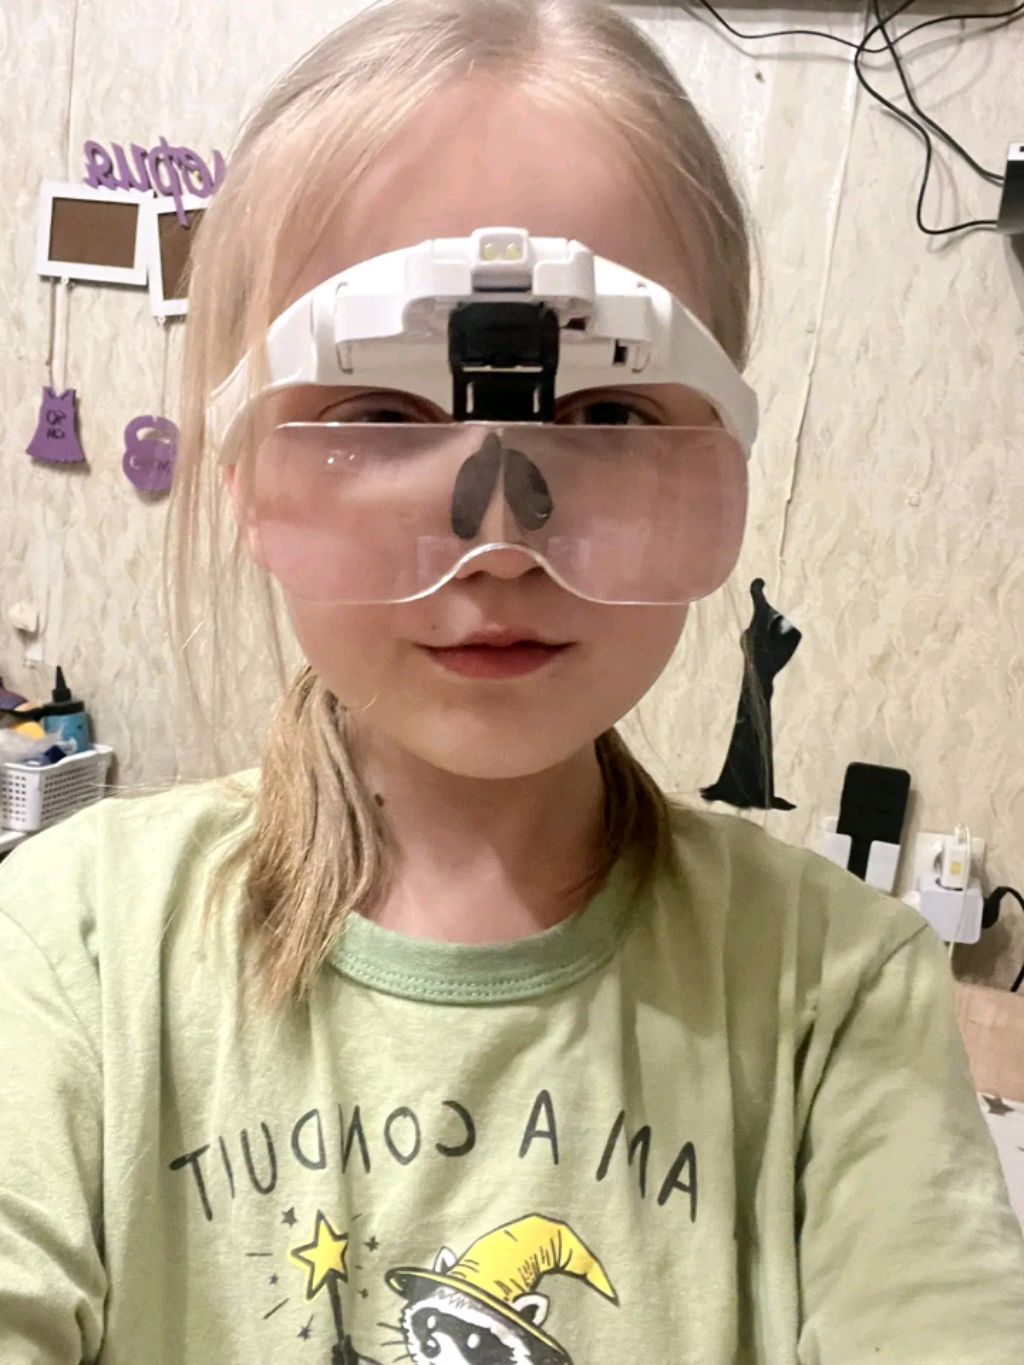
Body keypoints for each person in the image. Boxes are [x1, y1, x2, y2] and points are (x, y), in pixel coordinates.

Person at [2, 2, 1022, 1361]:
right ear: (245, 477)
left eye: (608, 412)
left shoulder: (839, 993)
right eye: (378, 412)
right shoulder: (69, 948)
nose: (497, 540)